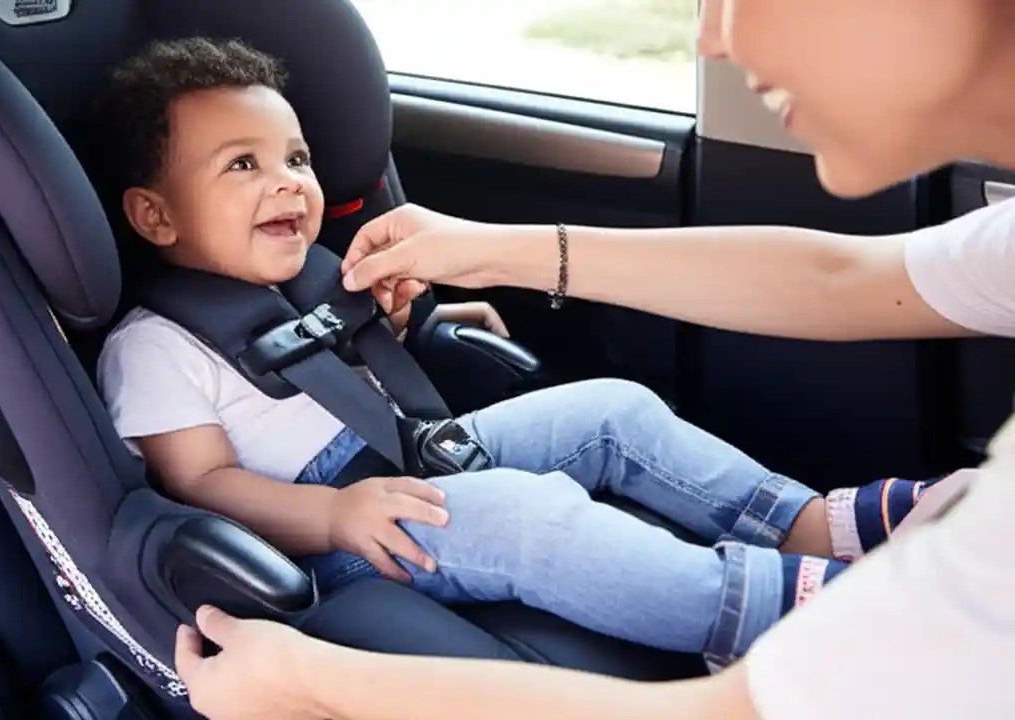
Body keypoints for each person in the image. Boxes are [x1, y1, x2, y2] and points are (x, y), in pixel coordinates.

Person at [172, 0, 1015, 718]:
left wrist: (305, 681)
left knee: (608, 414)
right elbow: (843, 278)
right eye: (243, 165)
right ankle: (814, 534)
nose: (709, 39)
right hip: (352, 513)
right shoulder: (160, 343)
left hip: (400, 479)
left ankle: (779, 587)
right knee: (526, 498)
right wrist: (486, 259)